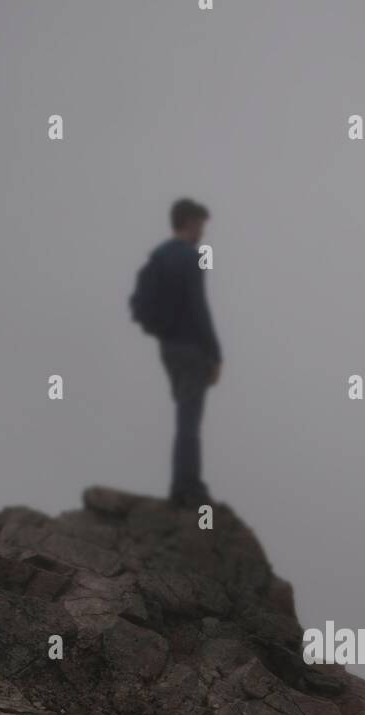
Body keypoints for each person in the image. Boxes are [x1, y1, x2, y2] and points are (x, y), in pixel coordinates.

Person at [132, 198, 223, 506]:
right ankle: (187, 487)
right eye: (200, 224)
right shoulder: (190, 257)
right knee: (189, 418)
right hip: (191, 348)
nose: (203, 232)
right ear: (189, 222)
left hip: (168, 348)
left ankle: (182, 484)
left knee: (184, 413)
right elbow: (199, 308)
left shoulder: (159, 257)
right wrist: (215, 353)